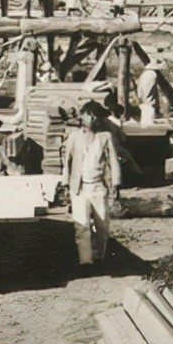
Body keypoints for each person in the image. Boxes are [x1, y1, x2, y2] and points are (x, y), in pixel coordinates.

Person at [62, 100, 121, 265]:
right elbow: (67, 160)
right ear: (83, 116)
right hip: (79, 188)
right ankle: (85, 260)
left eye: (95, 116)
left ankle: (99, 254)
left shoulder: (105, 137)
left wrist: (115, 185)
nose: (91, 119)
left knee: (102, 226)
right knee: (82, 226)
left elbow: (113, 162)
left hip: (97, 187)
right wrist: (66, 183)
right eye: (88, 115)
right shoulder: (74, 137)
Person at [134, 59, 163, 126]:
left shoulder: (144, 74)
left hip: (142, 100)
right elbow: (152, 90)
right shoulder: (152, 74)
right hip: (148, 101)